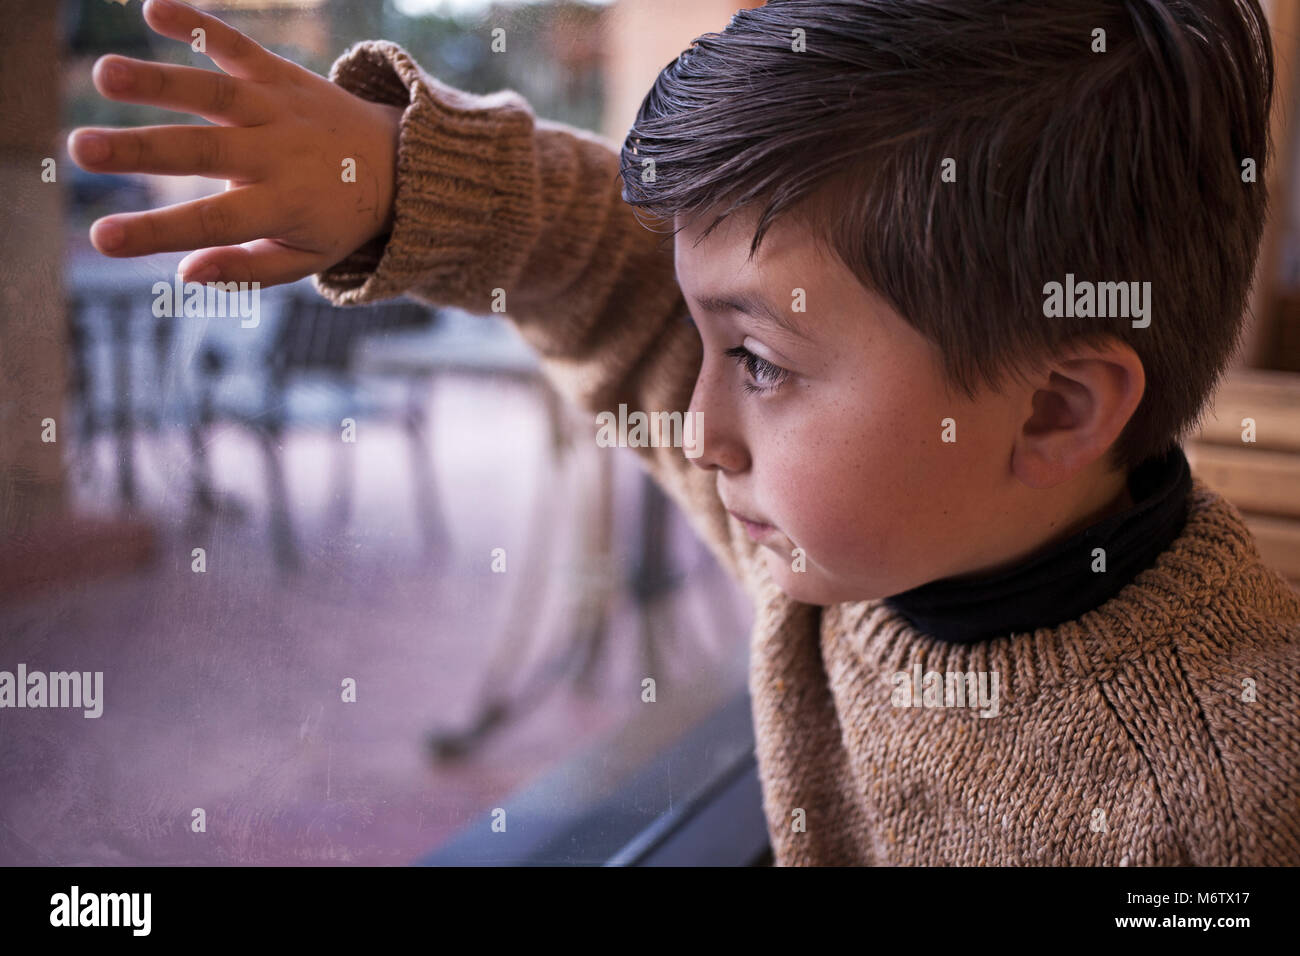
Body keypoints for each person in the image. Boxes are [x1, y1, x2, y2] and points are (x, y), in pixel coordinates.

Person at [69, 0, 1300, 865]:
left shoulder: (1230, 797)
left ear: (1053, 409)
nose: (698, 423)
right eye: (706, 342)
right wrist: (397, 175)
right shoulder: (874, 530)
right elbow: (608, 275)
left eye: (758, 360)